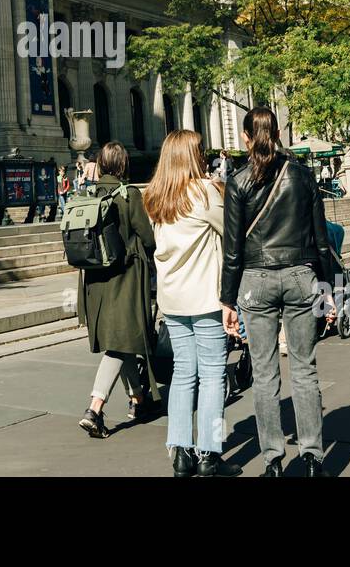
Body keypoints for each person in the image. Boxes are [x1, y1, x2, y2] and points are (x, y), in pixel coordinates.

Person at [222, 107, 335, 478]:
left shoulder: (237, 181)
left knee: (265, 373)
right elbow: (322, 239)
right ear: (278, 132)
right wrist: (328, 288)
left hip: (255, 281)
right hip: (302, 274)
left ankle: (272, 457)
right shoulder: (302, 176)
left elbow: (233, 249)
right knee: (304, 368)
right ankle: (312, 455)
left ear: (246, 137)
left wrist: (227, 299)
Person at [146, 130, 239, 477]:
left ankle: (180, 451)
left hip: (173, 299)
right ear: (191, 156)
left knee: (183, 374)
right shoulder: (204, 193)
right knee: (213, 375)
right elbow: (232, 230)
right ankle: (210, 453)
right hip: (204, 297)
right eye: (200, 151)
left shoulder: (156, 197)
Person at [77, 142, 160, 440]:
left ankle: (138, 399)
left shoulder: (88, 193)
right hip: (125, 279)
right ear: (124, 164)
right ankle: (95, 408)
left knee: (123, 340)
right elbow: (148, 239)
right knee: (119, 342)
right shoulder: (129, 194)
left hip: (95, 282)